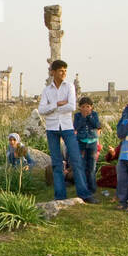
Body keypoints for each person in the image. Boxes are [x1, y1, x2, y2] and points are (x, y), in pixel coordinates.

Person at [38, 60, 97, 204]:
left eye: (65, 70)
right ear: (53, 72)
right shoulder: (47, 90)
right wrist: (57, 104)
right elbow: (41, 110)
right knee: (57, 163)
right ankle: (60, 195)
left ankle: (84, 193)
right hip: (52, 128)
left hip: (67, 127)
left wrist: (51, 108)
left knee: (76, 161)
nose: (63, 73)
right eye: (60, 70)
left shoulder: (70, 86)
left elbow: (71, 106)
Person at [74, 96, 103, 197]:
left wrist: (89, 116)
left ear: (91, 107)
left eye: (88, 106)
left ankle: (92, 188)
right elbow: (76, 126)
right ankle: (84, 186)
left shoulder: (94, 115)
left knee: (92, 166)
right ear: (80, 108)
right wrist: (82, 117)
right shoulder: (77, 116)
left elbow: (97, 125)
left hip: (92, 142)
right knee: (82, 164)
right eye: (83, 107)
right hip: (81, 141)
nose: (85, 109)